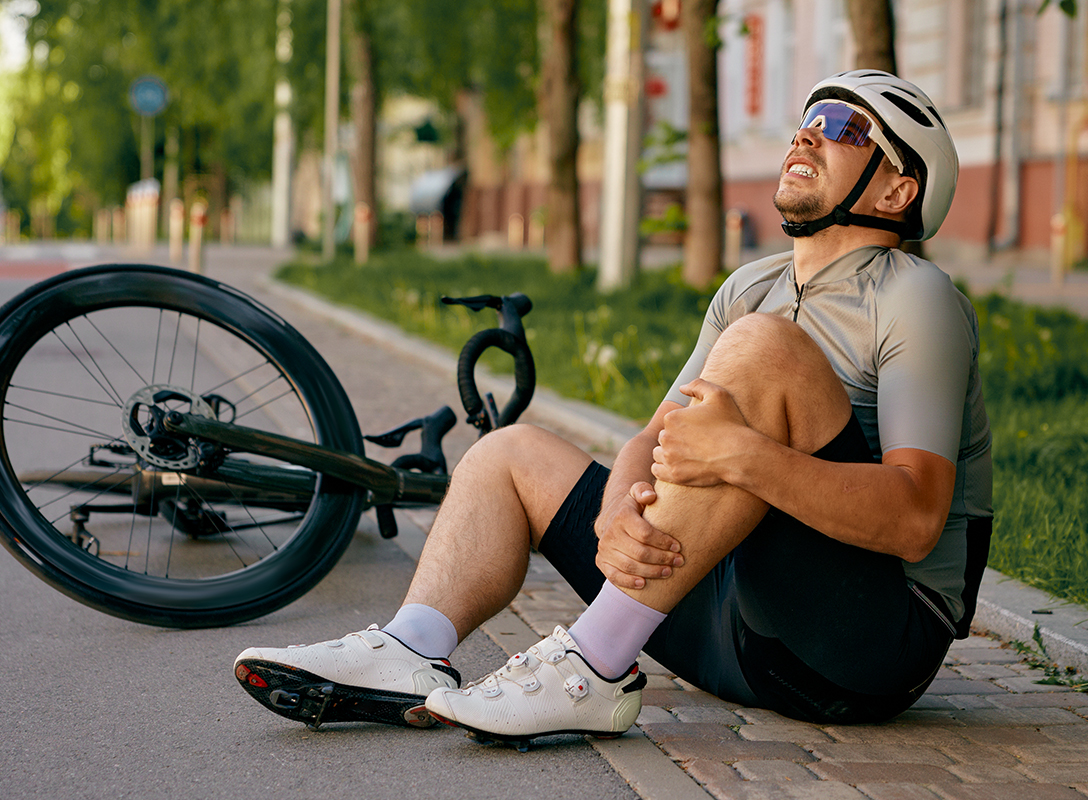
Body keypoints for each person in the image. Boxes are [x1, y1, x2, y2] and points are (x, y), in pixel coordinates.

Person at [233, 70, 992, 745]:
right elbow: (657, 437)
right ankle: (410, 649)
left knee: (767, 350)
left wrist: (743, 456)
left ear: (898, 191)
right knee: (509, 454)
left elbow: (917, 519)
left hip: (865, 651)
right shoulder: (749, 287)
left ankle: (595, 663)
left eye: (844, 128)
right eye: (808, 119)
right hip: (737, 632)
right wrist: (615, 512)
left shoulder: (914, 297)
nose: (807, 133)